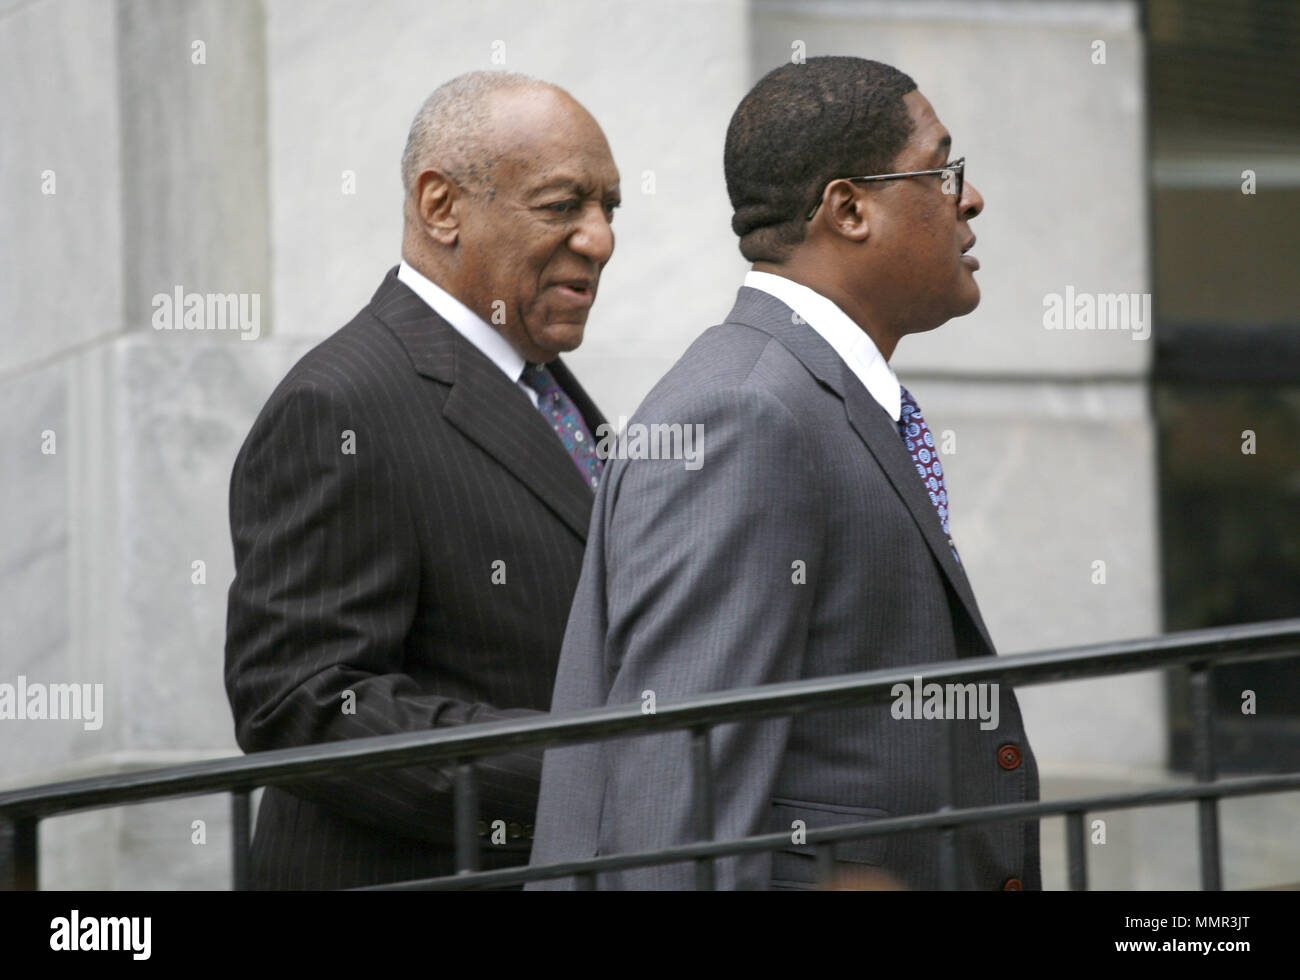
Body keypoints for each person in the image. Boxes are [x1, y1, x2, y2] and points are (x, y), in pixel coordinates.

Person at [527, 56, 1039, 890]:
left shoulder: (809, 394)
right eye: (943, 169)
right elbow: (677, 799)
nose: (969, 198)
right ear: (849, 208)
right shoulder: (744, 413)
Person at [224, 71, 619, 889]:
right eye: (562, 206)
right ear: (442, 207)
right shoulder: (340, 401)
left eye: (610, 208)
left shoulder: (549, 391)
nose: (600, 239)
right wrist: (598, 773)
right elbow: (302, 704)